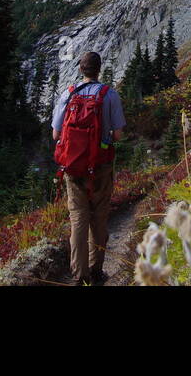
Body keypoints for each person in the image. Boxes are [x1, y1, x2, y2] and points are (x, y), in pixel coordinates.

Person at [51, 51, 125, 285]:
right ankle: (96, 271)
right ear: (98, 69)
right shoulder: (108, 94)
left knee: (78, 220)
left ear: (81, 69)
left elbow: (55, 134)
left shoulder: (68, 94)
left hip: (73, 168)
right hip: (100, 166)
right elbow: (118, 134)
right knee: (99, 218)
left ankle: (79, 274)